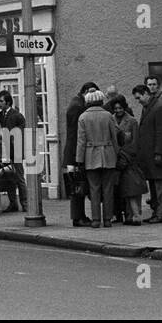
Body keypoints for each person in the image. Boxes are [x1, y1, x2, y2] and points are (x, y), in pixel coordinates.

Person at [76, 87, 122, 227]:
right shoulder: (108, 115)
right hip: (108, 154)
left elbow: (81, 141)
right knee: (108, 189)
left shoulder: (83, 117)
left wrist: (79, 160)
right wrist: (117, 153)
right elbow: (114, 137)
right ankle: (108, 219)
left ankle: (96, 219)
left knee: (94, 189)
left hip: (91, 155)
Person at [133, 81, 162, 223]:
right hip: (149, 155)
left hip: (156, 154)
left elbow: (161, 132)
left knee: (160, 184)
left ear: (145, 94)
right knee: (154, 185)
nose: (138, 101)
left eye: (139, 98)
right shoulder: (148, 108)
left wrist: (159, 153)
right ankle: (157, 212)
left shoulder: (159, 108)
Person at [110, 95, 146, 225]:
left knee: (131, 188)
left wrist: (128, 155)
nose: (118, 110)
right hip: (116, 159)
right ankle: (124, 214)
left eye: (120, 108)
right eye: (115, 108)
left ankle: (133, 215)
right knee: (121, 189)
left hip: (129, 159)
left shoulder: (132, 121)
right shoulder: (111, 120)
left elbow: (135, 141)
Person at [63, 83, 93, 226]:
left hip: (73, 152)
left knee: (77, 187)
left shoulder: (76, 103)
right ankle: (78, 217)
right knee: (78, 187)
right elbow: (76, 134)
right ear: (86, 92)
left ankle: (79, 216)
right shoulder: (78, 106)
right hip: (75, 153)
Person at [0, 90, 27, 213]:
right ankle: (13, 203)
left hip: (15, 150)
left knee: (19, 177)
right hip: (5, 151)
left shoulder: (17, 115)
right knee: (9, 177)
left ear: (8, 102)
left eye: (1, 101)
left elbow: (22, 129)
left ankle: (25, 203)